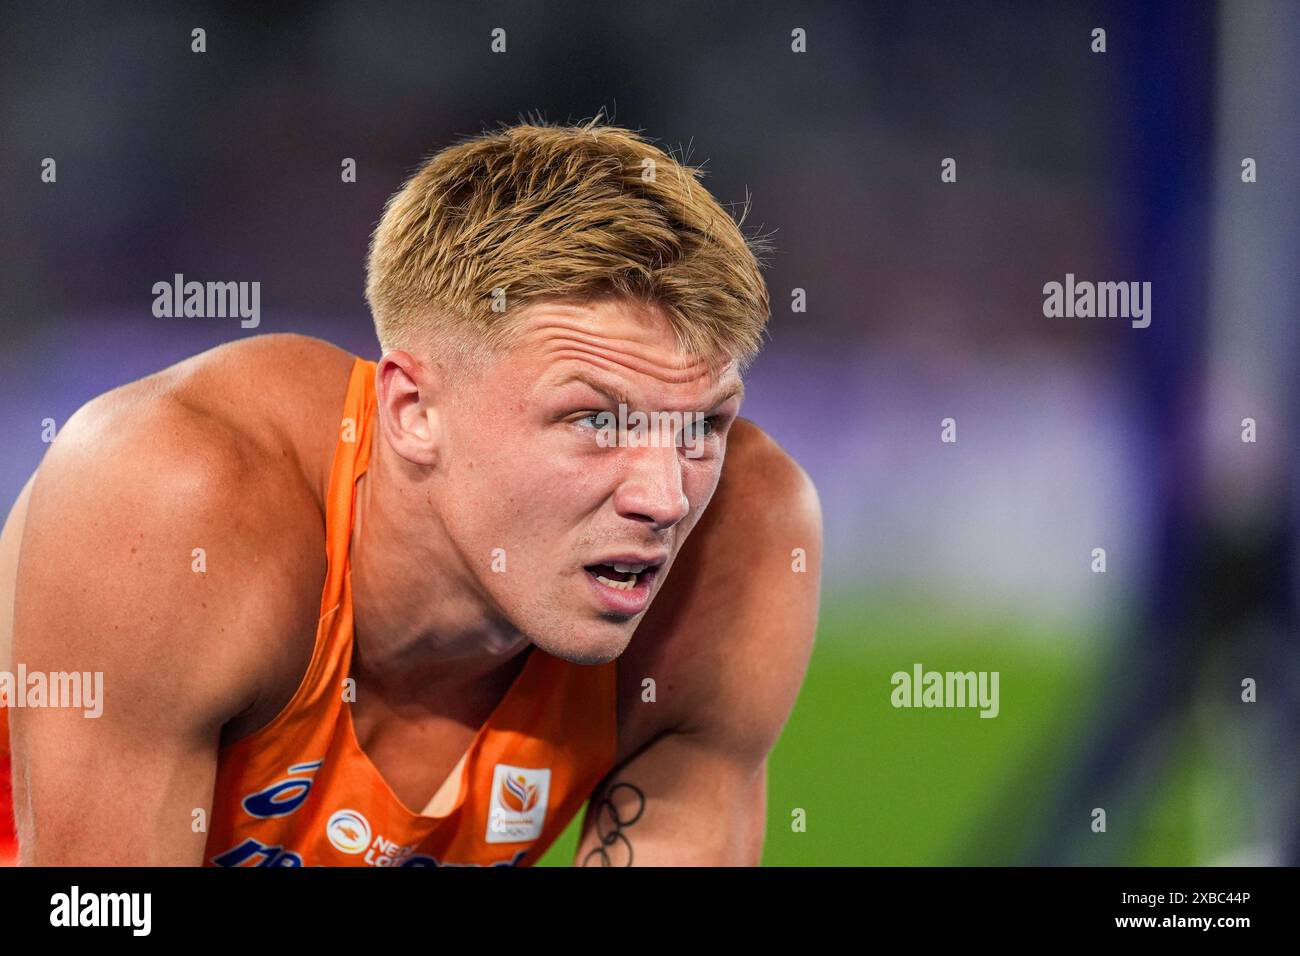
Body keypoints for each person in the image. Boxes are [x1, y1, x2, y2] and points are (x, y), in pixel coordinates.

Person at [0, 118, 821, 866]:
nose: (666, 498)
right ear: (413, 410)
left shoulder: (735, 550)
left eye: (701, 428)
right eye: (594, 420)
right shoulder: (176, 499)